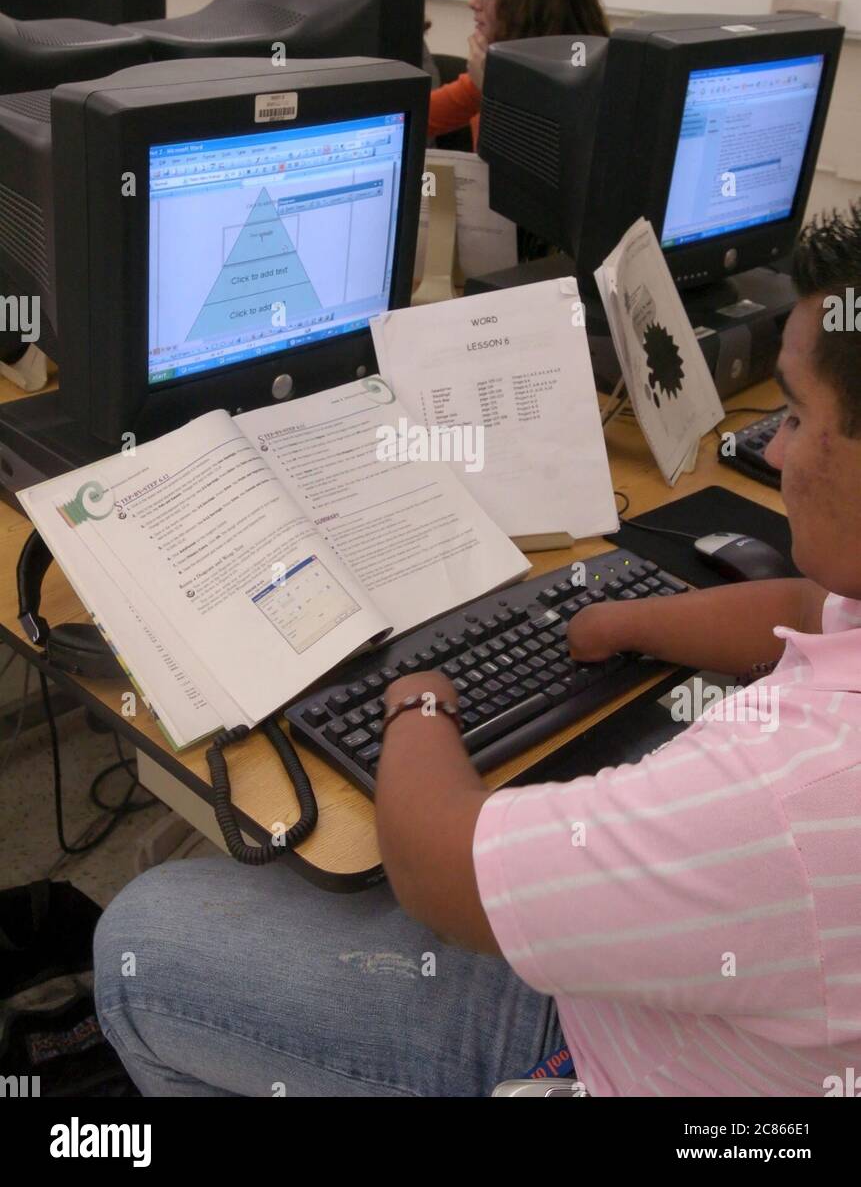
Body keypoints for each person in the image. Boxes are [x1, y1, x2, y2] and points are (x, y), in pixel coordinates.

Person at [94, 205, 861, 1097]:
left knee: (139, 939)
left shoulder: (796, 789)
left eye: (799, 419)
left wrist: (419, 702)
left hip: (600, 1046)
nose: (775, 453)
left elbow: (436, 870)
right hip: (745, 1017)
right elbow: (814, 606)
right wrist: (625, 619)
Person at [428, 0, 609, 148]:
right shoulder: (498, 71)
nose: (473, 2)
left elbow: (517, 170)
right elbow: (422, 116)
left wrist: (492, 95)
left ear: (530, 6)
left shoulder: (590, 95)